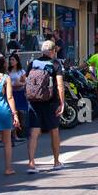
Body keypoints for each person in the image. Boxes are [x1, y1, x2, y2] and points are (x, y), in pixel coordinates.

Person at [25, 39, 66, 172]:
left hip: (34, 101)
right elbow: (59, 85)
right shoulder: (55, 64)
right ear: (53, 51)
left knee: (34, 132)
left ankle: (31, 163)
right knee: (54, 131)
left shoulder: (32, 63)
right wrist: (62, 102)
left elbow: (26, 80)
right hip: (50, 102)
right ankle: (56, 162)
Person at [7, 52, 29, 133]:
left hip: (20, 93)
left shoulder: (21, 71)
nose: (11, 61)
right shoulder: (8, 71)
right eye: (10, 60)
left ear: (17, 61)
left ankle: (21, 131)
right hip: (11, 94)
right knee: (13, 112)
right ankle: (14, 134)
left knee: (20, 112)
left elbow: (25, 82)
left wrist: (20, 84)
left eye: (13, 59)